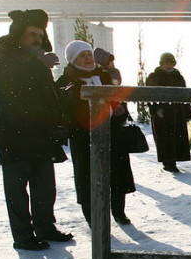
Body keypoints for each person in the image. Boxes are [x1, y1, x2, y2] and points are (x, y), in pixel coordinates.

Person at [0, 9, 73, 251]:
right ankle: (23, 237)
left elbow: (43, 95)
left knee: (45, 187)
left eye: (40, 34)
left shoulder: (35, 60)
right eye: (31, 34)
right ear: (17, 34)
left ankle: (45, 227)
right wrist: (36, 65)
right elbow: (9, 86)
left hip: (41, 134)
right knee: (17, 192)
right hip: (15, 135)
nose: (37, 39)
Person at [57, 40, 135, 225]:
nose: (88, 58)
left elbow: (117, 97)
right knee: (87, 179)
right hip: (83, 137)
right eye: (82, 56)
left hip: (111, 132)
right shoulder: (66, 81)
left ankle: (118, 211)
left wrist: (118, 108)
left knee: (117, 174)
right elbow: (64, 109)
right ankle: (94, 220)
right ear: (73, 59)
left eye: (89, 54)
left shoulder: (104, 76)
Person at [146, 52, 191, 173]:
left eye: (171, 63)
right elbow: (149, 94)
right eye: (166, 63)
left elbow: (184, 94)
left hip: (178, 112)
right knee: (165, 138)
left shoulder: (178, 76)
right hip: (162, 113)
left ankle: (175, 159)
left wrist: (188, 111)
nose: (169, 65)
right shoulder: (154, 76)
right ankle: (168, 162)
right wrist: (156, 109)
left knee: (177, 137)